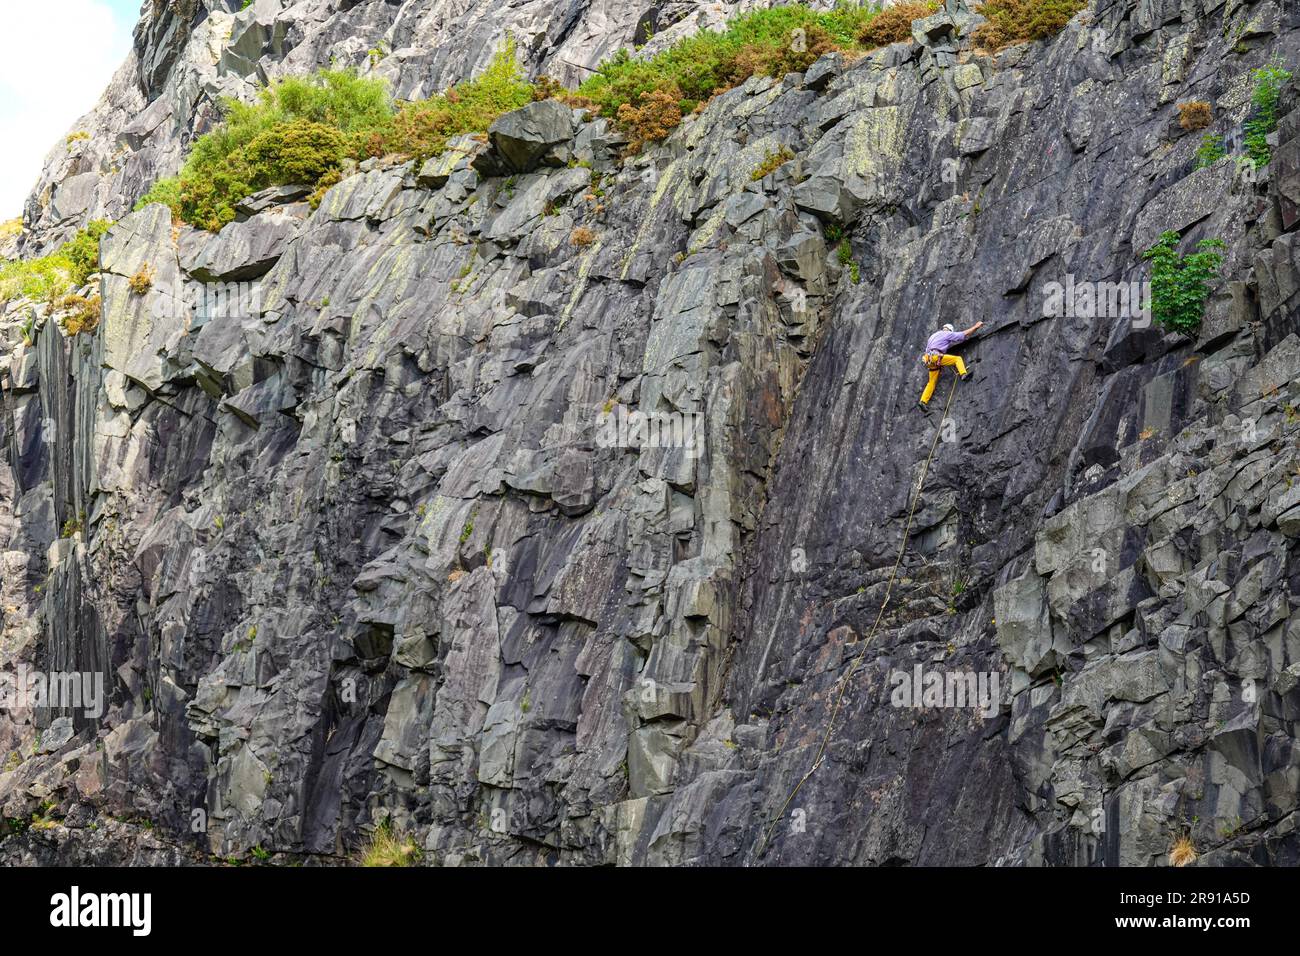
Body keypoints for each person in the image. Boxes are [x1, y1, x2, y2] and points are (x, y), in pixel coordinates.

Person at [917, 320, 982, 412]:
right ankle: (963, 374)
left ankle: (923, 401)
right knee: (957, 359)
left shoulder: (932, 336)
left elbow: (928, 349)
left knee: (931, 382)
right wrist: (975, 327)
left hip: (929, 361)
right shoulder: (946, 334)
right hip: (936, 357)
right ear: (949, 330)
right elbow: (963, 334)